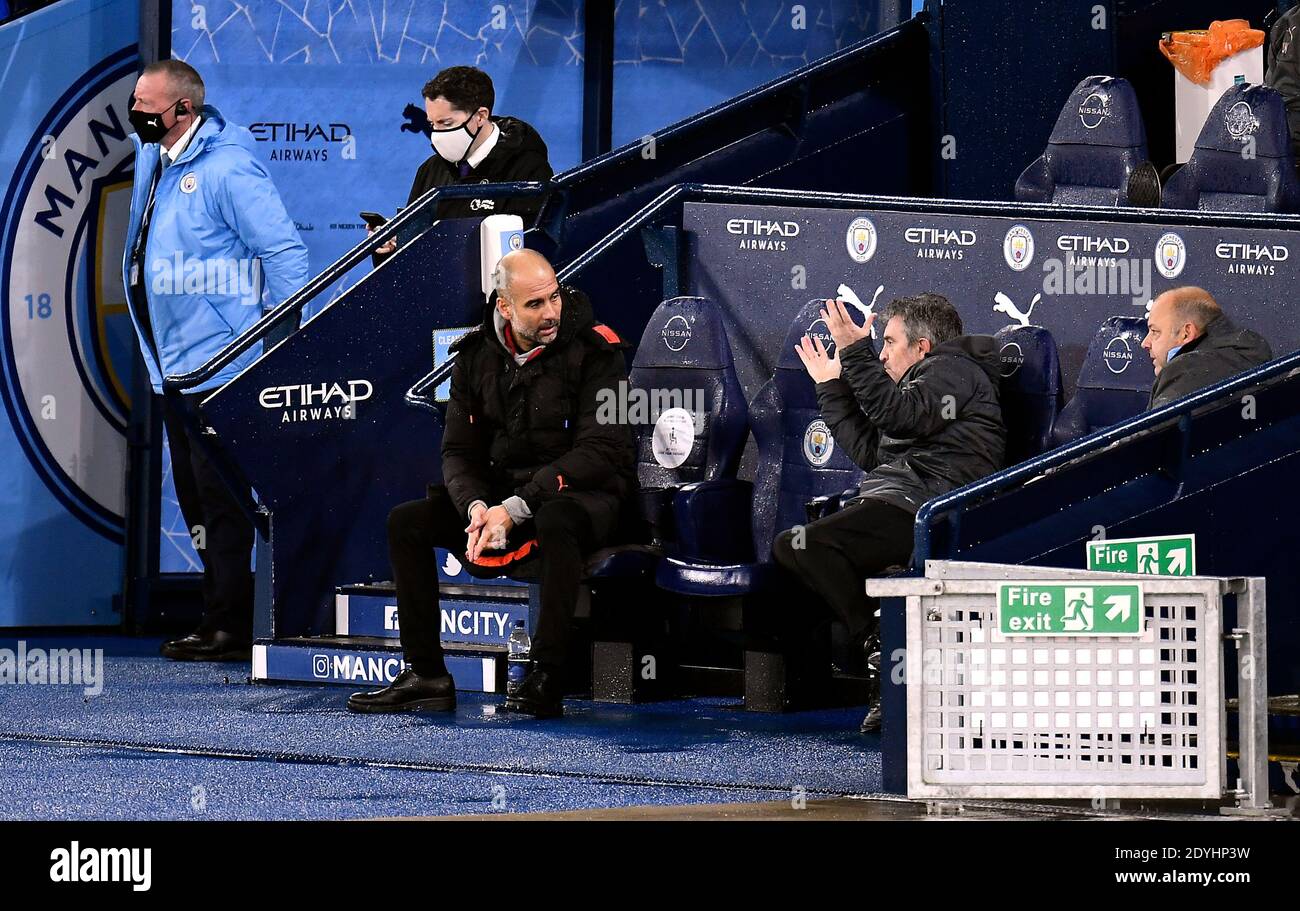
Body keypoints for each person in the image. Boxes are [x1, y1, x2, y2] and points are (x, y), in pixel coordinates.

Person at [348, 249, 637, 718]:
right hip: (504, 499)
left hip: (585, 493)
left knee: (557, 517)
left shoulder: (599, 351)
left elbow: (604, 450)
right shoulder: (474, 355)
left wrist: (517, 506)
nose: (551, 313)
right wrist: (477, 508)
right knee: (408, 522)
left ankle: (547, 676)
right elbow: (458, 453)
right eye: (535, 305)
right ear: (504, 306)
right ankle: (426, 674)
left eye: (554, 298)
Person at [123, 60, 309, 661]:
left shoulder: (229, 167)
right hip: (175, 363)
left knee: (226, 503)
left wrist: (277, 349)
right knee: (200, 502)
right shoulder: (155, 159)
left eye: (146, 106)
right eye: (136, 102)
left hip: (223, 366)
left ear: (184, 109)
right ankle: (218, 616)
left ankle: (233, 624)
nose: (137, 114)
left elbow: (284, 254)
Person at [773, 293, 1005, 732]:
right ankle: (882, 654)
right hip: (897, 501)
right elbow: (871, 451)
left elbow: (897, 417)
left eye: (889, 342)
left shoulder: (953, 370)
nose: (881, 353)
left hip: (931, 510)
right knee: (795, 548)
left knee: (806, 544)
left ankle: (878, 649)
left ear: (922, 347)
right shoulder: (920, 386)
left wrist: (853, 351)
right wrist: (830, 385)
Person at [372, 66, 553, 256]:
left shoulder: (528, 170)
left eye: (446, 123)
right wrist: (393, 245)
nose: (437, 134)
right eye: (432, 124)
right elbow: (414, 252)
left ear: (481, 116)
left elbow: (533, 258)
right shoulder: (429, 169)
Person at [1143, 287, 1272, 410]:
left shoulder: (1184, 371)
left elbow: (1156, 432)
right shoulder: (1251, 353)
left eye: (1155, 331)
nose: (1145, 343)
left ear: (1186, 333)